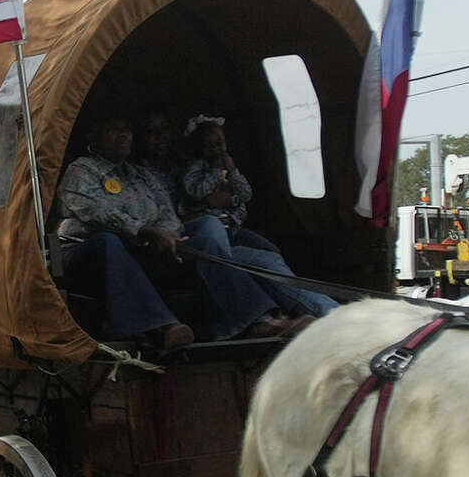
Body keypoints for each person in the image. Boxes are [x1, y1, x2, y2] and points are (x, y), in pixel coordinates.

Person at [53, 114, 295, 348]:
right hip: (88, 253)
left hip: (140, 253)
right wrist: (144, 231)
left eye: (126, 129)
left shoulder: (139, 175)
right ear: (94, 137)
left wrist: (167, 235)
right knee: (107, 241)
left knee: (203, 244)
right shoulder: (80, 171)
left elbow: (166, 212)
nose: (123, 135)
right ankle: (156, 328)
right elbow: (95, 212)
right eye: (114, 129)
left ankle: (258, 323)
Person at [172, 114, 335, 318]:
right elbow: (196, 191)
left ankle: (288, 307)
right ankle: (317, 312)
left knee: (271, 251)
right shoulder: (196, 169)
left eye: (219, 143)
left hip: (233, 228)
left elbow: (244, 194)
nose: (216, 150)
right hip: (213, 237)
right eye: (208, 146)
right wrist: (215, 172)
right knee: (263, 264)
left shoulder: (229, 169)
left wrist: (231, 182)